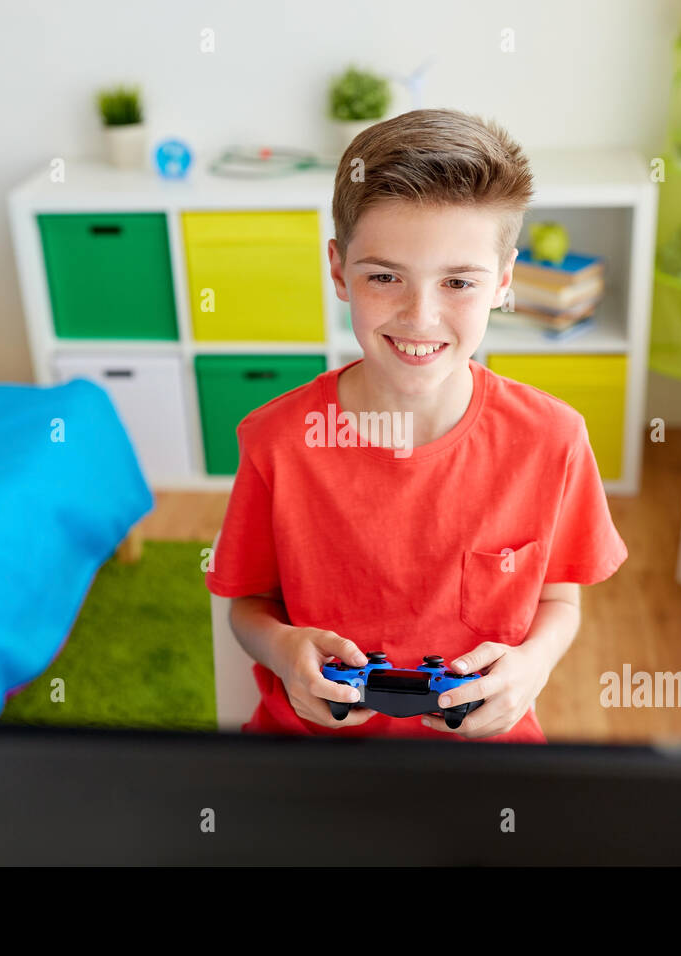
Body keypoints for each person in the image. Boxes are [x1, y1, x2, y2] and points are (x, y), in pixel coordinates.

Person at [205, 108, 628, 743]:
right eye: (384, 276)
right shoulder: (276, 441)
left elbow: (560, 604)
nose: (420, 316)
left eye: (458, 281)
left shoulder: (553, 440)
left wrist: (532, 666)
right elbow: (246, 609)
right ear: (339, 270)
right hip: (306, 762)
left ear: (503, 282)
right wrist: (282, 651)